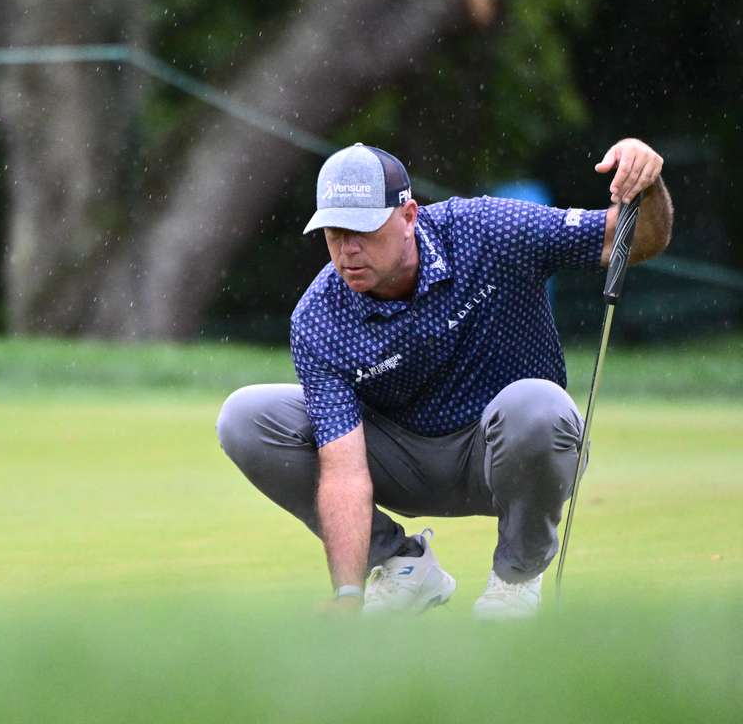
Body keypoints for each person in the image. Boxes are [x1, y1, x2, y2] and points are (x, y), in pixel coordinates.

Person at [216, 139, 673, 618]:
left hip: (510, 453)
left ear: (409, 216)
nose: (348, 250)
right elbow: (344, 470)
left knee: (540, 404)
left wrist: (649, 184)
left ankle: (515, 581)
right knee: (246, 417)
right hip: (402, 465)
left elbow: (637, 239)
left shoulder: (489, 229)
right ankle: (402, 566)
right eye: (335, 233)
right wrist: (347, 595)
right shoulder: (320, 316)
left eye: (363, 231)